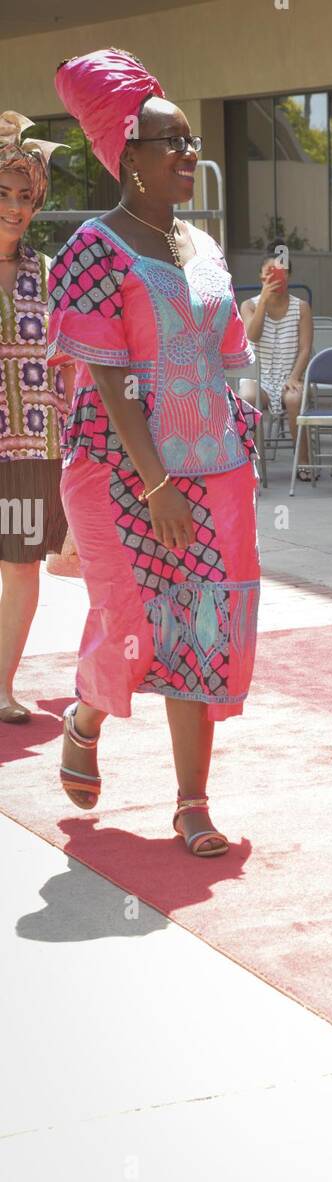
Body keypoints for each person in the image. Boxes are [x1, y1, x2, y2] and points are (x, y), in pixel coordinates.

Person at [48, 48, 261, 857]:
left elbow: (229, 358)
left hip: (214, 472)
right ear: (126, 156)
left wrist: (235, 450)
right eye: (170, 143)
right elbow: (106, 379)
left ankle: (191, 803)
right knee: (133, 623)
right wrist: (157, 482)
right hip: (119, 475)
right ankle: (86, 714)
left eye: (191, 143)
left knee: (200, 626)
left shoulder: (203, 251)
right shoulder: (94, 250)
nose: (187, 157)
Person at [0, 112, 70, 724]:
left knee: (20, 564)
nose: (16, 208)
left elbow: (70, 360)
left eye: (26, 196)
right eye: (4, 193)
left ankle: (2, 686)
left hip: (31, 448)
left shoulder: (47, 273)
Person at [239, 242, 313, 479]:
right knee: (248, 398)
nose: (274, 277)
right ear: (261, 276)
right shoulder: (249, 305)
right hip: (257, 376)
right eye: (269, 273)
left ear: (288, 275)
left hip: (290, 373)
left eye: (280, 272)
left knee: (294, 398)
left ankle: (303, 463)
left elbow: (305, 349)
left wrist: (294, 376)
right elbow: (252, 335)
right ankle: (254, 467)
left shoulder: (301, 307)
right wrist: (263, 302)